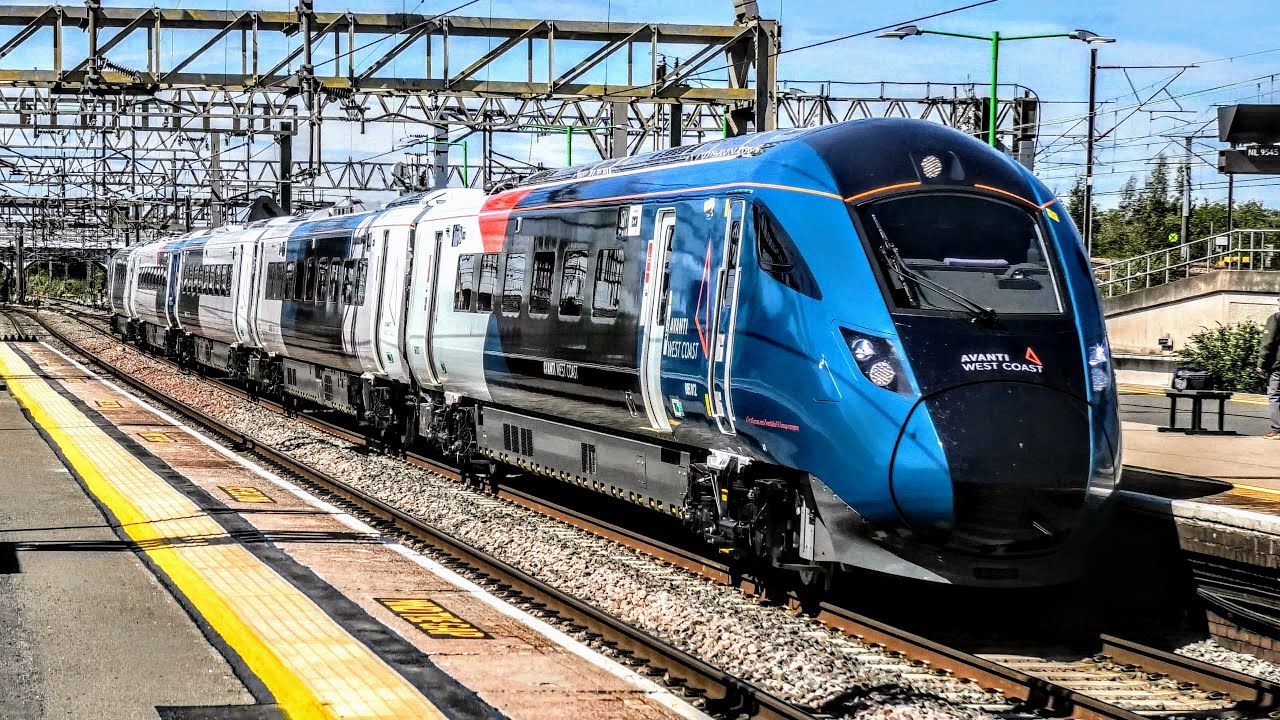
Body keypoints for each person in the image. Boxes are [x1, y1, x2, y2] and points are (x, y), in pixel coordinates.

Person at [1257, 297, 1280, 439]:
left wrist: (1261, 364)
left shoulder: (1276, 318)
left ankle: (1278, 429)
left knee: (1275, 396)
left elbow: (1267, 343)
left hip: (1278, 366)